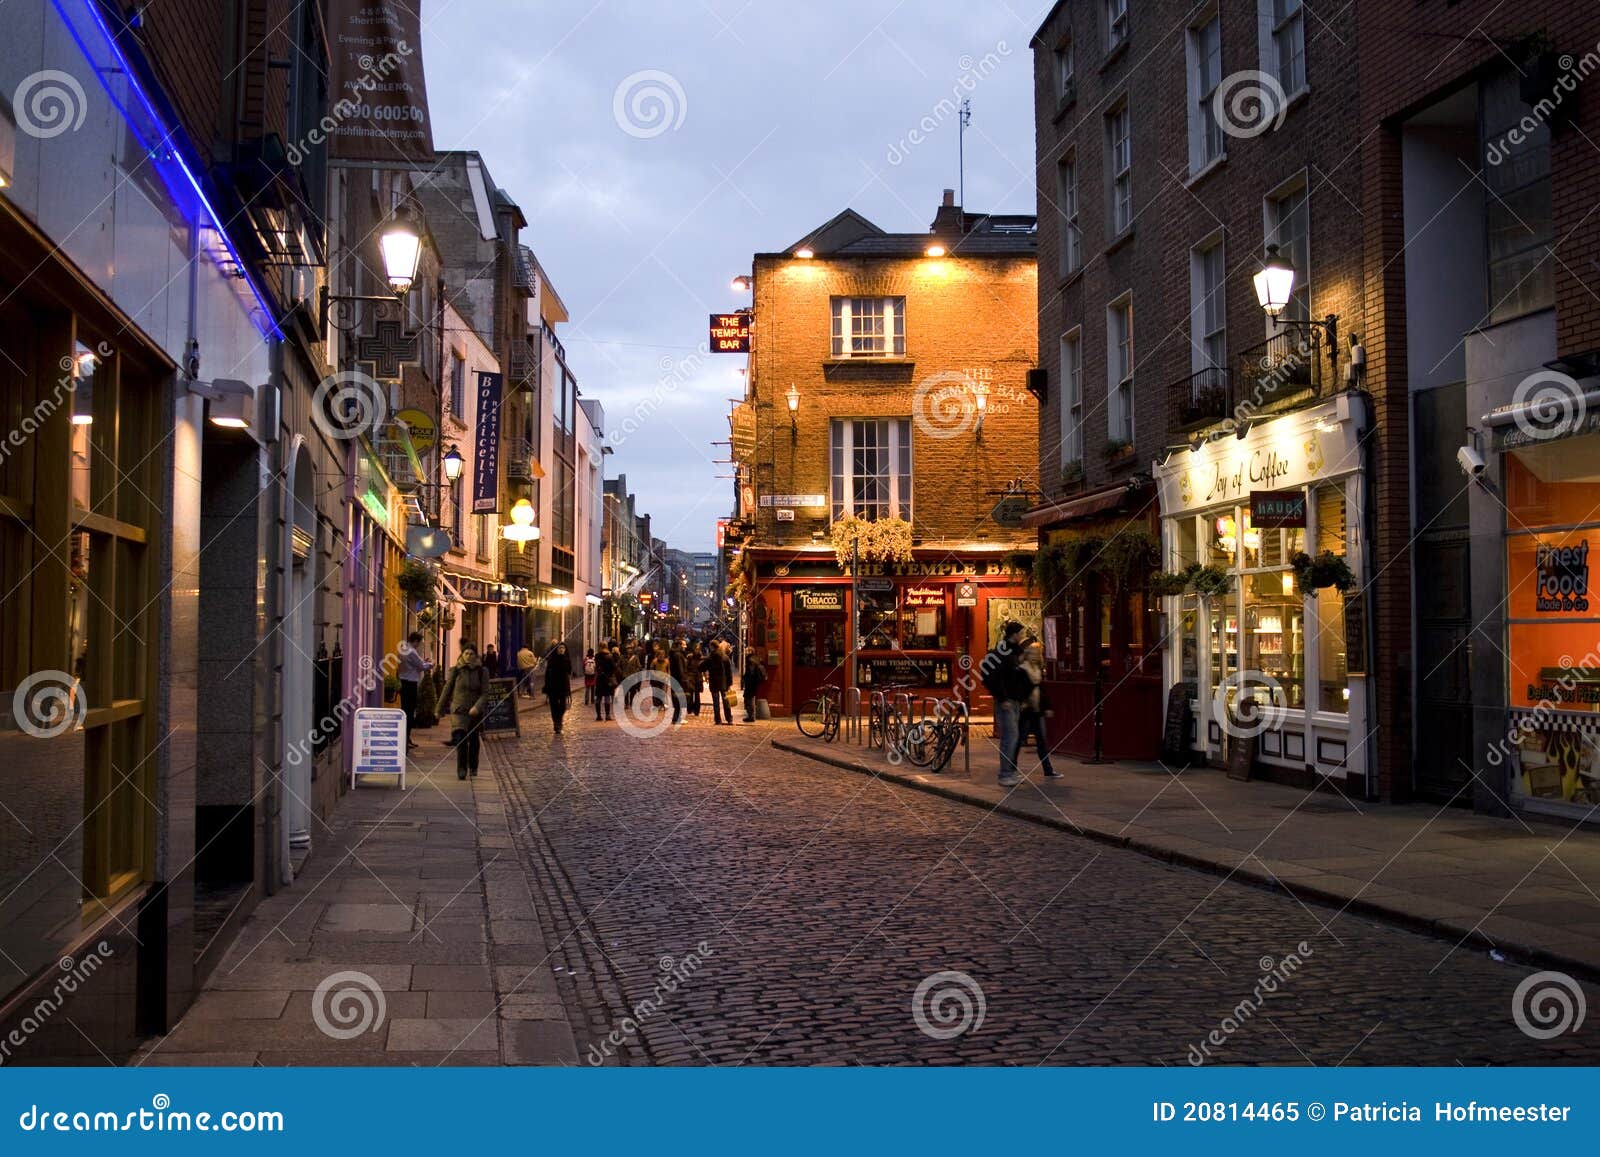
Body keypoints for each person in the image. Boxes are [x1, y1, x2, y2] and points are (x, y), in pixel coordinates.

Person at [981, 621, 1035, 788]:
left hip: (1015, 700)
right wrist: (1002, 698)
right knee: (1009, 738)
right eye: (1021, 632)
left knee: (1015, 737)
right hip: (1007, 701)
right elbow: (989, 675)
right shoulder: (1002, 652)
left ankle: (1010, 772)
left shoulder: (1015, 651)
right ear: (1014, 634)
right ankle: (1005, 774)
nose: (1023, 635)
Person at [438, 641, 491, 780]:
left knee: (473, 740)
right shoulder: (455, 670)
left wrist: (477, 707)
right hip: (459, 710)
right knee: (461, 739)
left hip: (474, 712)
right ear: (462, 654)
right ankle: (461, 768)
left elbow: (485, 693)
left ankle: (473, 765)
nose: (468, 656)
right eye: (466, 653)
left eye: (471, 654)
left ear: (475, 655)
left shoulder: (482, 672)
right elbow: (447, 690)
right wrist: (438, 709)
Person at [1016, 641, 1060, 779]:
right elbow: (1021, 688)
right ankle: (1011, 769)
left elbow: (1042, 689)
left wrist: (1047, 707)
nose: (1035, 656)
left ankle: (1048, 770)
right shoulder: (1022, 669)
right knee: (1019, 740)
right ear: (1027, 655)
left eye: (1038, 654)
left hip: (1037, 709)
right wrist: (1024, 700)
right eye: (1033, 654)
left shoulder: (1037, 669)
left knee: (1042, 741)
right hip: (1026, 710)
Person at [396, 631, 432, 750]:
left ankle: (405, 738)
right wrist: (431, 664)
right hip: (410, 683)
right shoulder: (411, 651)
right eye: (419, 642)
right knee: (409, 712)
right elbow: (421, 666)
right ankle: (406, 738)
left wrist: (423, 662)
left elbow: (415, 663)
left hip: (403, 681)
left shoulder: (403, 649)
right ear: (415, 641)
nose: (419, 645)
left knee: (405, 709)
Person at [544, 642, 574, 734]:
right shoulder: (552, 660)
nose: (561, 649)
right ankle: (556, 724)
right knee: (554, 706)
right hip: (553, 686)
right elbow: (547, 674)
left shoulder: (566, 659)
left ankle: (559, 720)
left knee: (563, 706)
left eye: (563, 648)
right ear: (556, 649)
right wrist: (547, 685)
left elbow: (569, 671)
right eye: (560, 648)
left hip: (563, 686)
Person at [706, 639, 733, 726]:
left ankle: (718, 720)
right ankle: (729, 719)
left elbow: (702, 666)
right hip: (723, 683)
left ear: (712, 647)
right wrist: (729, 683)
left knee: (716, 702)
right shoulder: (725, 657)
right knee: (726, 701)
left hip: (714, 683)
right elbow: (729, 672)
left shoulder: (711, 657)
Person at [740, 647, 767, 723]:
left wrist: (745, 678)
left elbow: (750, 672)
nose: (745, 652)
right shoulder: (756, 658)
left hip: (750, 682)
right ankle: (751, 715)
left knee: (749, 698)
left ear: (750, 651)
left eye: (746, 651)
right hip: (755, 682)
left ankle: (751, 716)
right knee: (751, 698)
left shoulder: (750, 660)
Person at [593, 641, 617, 721]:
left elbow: (596, 666)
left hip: (600, 678)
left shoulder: (597, 656)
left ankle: (598, 716)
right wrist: (610, 674)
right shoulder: (609, 656)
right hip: (607, 679)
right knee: (607, 697)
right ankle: (607, 715)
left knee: (598, 697)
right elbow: (613, 668)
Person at [667, 640, 688, 726]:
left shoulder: (674, 654)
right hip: (679, 680)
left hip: (675, 679)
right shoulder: (678, 655)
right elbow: (680, 670)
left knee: (676, 700)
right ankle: (678, 718)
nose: (685, 646)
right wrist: (684, 680)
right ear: (679, 645)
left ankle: (675, 718)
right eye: (683, 645)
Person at [619, 644, 642, 709]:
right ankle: (626, 704)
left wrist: (635, 671)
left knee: (633, 691)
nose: (629, 650)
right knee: (625, 691)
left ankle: (632, 703)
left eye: (630, 648)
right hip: (625, 676)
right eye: (627, 648)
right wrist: (621, 672)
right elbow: (618, 666)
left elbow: (639, 666)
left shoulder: (635, 657)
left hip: (633, 677)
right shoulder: (622, 657)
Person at [685, 643, 704, 717]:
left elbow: (703, 668)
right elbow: (686, 667)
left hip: (698, 677)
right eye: (696, 649)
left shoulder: (701, 657)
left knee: (697, 695)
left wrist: (706, 676)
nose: (697, 650)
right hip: (691, 677)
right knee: (689, 695)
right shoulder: (690, 657)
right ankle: (689, 709)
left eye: (698, 649)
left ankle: (696, 710)